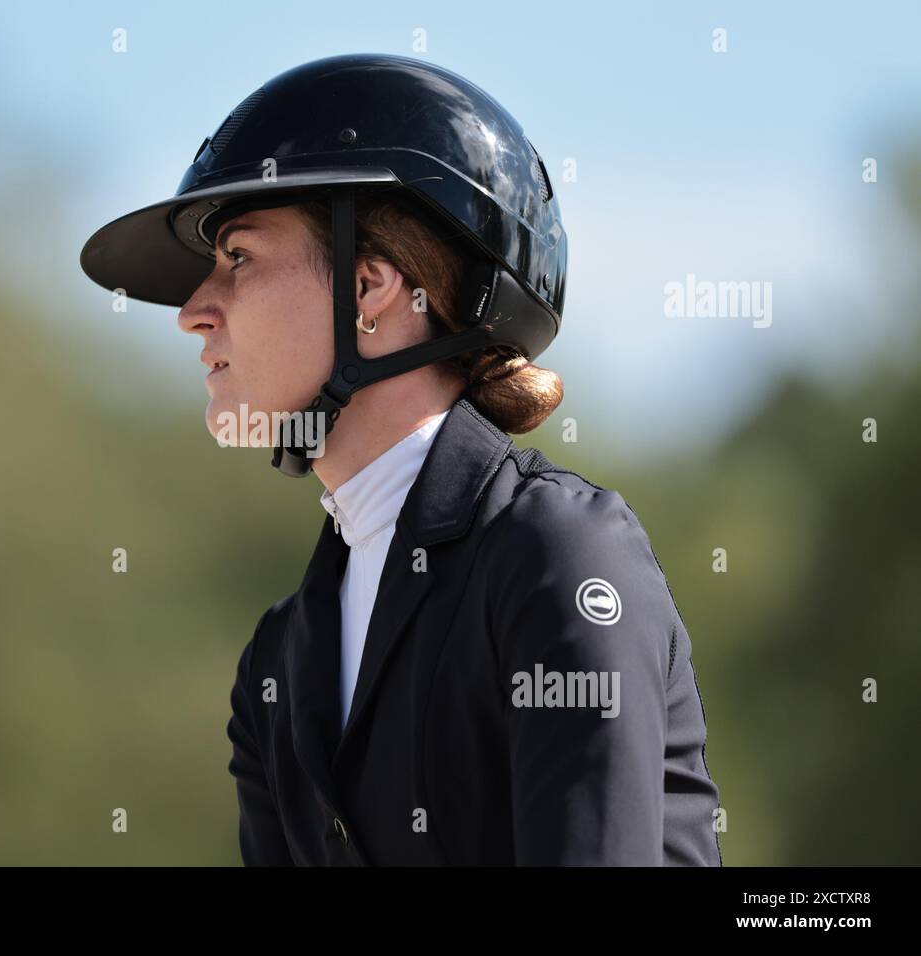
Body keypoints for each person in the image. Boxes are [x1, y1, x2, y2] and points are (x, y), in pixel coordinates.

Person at [80, 53, 722, 865]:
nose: (194, 314)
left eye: (236, 258)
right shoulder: (279, 658)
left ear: (373, 287)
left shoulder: (556, 557)